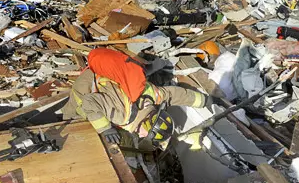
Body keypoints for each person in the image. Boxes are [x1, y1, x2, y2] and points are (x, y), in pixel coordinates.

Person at [62, 48, 209, 148]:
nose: (143, 136)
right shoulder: (121, 116)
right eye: (146, 135)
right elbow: (89, 102)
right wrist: (105, 128)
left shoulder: (150, 98)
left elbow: (172, 94)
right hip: (83, 91)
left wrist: (204, 100)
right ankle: (66, 123)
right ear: (145, 125)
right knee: (73, 131)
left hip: (100, 79)